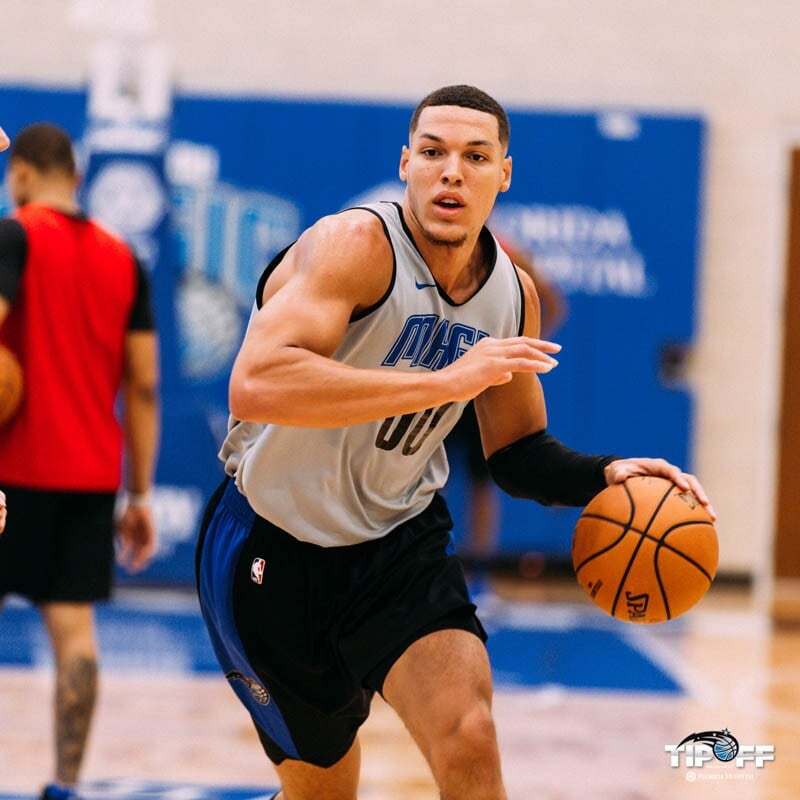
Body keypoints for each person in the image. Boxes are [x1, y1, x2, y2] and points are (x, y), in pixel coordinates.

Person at [196, 85, 715, 800]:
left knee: (469, 736)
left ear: (504, 174)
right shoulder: (354, 246)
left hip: (398, 547)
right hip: (272, 548)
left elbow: (516, 451)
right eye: (433, 153)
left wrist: (605, 474)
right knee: (323, 795)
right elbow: (256, 384)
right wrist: (444, 383)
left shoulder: (513, 295)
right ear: (405, 162)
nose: (451, 172)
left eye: (475, 156)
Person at [0, 123, 160, 800]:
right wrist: (141, 495)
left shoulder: (14, 233)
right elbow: (145, 385)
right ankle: (65, 784)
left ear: (26, 175)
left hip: (12, 469)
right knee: (75, 636)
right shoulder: (124, 257)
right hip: (89, 474)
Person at [445, 234, 566, 600]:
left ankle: (482, 578)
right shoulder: (432, 250)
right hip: (443, 379)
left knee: (485, 480)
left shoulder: (506, 254)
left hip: (486, 382)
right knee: (426, 474)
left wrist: (520, 346)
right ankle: (427, 568)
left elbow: (554, 304)